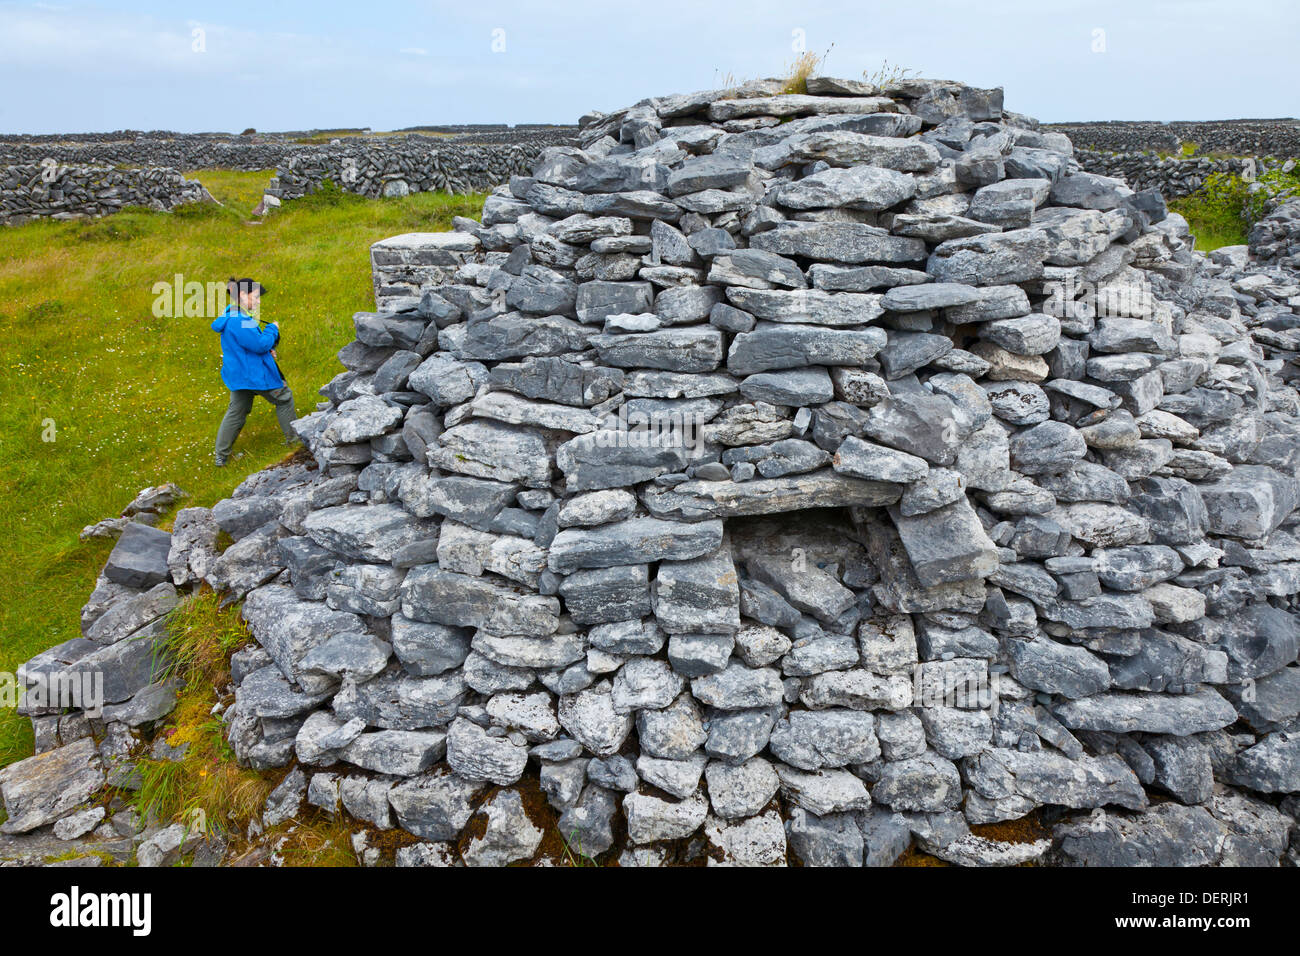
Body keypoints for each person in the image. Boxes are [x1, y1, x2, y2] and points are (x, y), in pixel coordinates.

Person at [211, 278, 297, 467]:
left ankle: (221, 456)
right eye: (256, 297)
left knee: (237, 410)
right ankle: (295, 442)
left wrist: (267, 348)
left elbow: (247, 345)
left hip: (239, 375)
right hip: (254, 375)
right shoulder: (239, 320)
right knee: (284, 398)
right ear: (242, 295)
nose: (258, 301)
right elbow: (260, 344)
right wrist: (273, 329)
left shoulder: (232, 315)